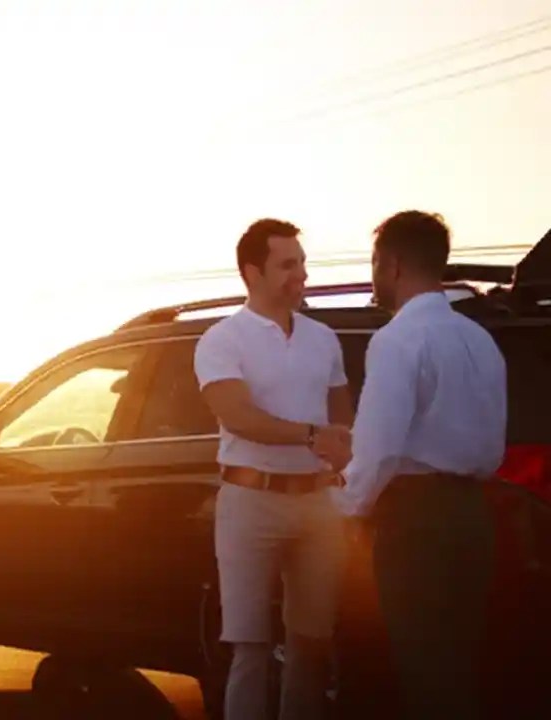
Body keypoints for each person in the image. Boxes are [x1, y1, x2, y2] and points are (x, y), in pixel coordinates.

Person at [331, 210, 505, 719]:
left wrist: (348, 509)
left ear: (395, 264)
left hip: (417, 523)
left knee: (422, 667)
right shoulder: (480, 340)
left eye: (375, 264)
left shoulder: (398, 340)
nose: (374, 276)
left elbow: (379, 447)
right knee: (460, 664)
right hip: (475, 516)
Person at [195, 218, 354, 720]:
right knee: (250, 648)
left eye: (302, 262)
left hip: (316, 503)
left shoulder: (323, 338)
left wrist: (341, 456)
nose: (301, 274)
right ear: (252, 272)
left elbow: (340, 415)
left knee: (310, 643)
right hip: (250, 503)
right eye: (288, 265)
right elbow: (237, 416)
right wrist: (311, 436)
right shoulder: (222, 340)